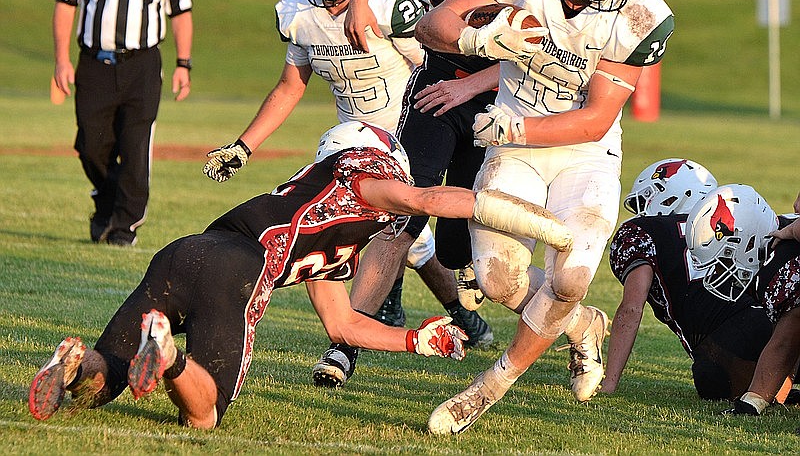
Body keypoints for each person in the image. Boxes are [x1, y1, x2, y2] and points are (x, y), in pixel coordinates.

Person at [28, 121, 572, 429]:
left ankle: (74, 363)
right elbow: (423, 195)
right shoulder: (361, 177)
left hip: (183, 252)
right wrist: (524, 219)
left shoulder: (331, 229)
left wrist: (414, 340)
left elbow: (342, 326)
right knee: (204, 414)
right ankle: (168, 355)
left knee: (104, 384)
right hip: (237, 271)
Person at [413, 0, 675, 434]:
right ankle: (582, 327)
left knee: (572, 276)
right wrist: (483, 32)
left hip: (584, 156)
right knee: (496, 279)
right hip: (517, 155)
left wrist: (514, 124)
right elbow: (431, 27)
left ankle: (490, 385)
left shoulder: (643, 16)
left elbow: (596, 119)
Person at [201, 0, 492, 386]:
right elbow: (290, 86)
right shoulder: (297, 15)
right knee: (402, 240)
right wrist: (243, 146)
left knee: (394, 235)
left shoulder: (391, 2)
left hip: (409, 137)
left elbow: (440, 67)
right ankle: (457, 315)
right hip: (349, 144)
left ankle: (350, 343)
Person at [325, 0, 552, 387]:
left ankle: (569, 319)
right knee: (399, 209)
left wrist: (470, 84)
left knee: (466, 244)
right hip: (435, 77)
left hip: (503, 88)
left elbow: (549, 49)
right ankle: (344, 344)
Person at [52, 0, 194, 247]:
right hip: (94, 63)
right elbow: (66, 2)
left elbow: (180, 9)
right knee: (90, 144)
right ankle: (107, 201)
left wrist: (184, 62)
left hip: (142, 64)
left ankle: (123, 227)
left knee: (134, 147)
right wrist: (61, 60)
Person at [601, 159, 790, 401]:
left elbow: (631, 308)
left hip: (727, 342)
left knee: (711, 378)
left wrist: (610, 383)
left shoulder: (640, 231)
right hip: (779, 317)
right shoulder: (737, 216)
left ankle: (770, 388)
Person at [687, 184, 800, 416]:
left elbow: (786, 341)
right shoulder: (780, 254)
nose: (723, 273)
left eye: (726, 259)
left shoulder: (782, 262)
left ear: (747, 240)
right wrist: (753, 400)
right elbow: (785, 339)